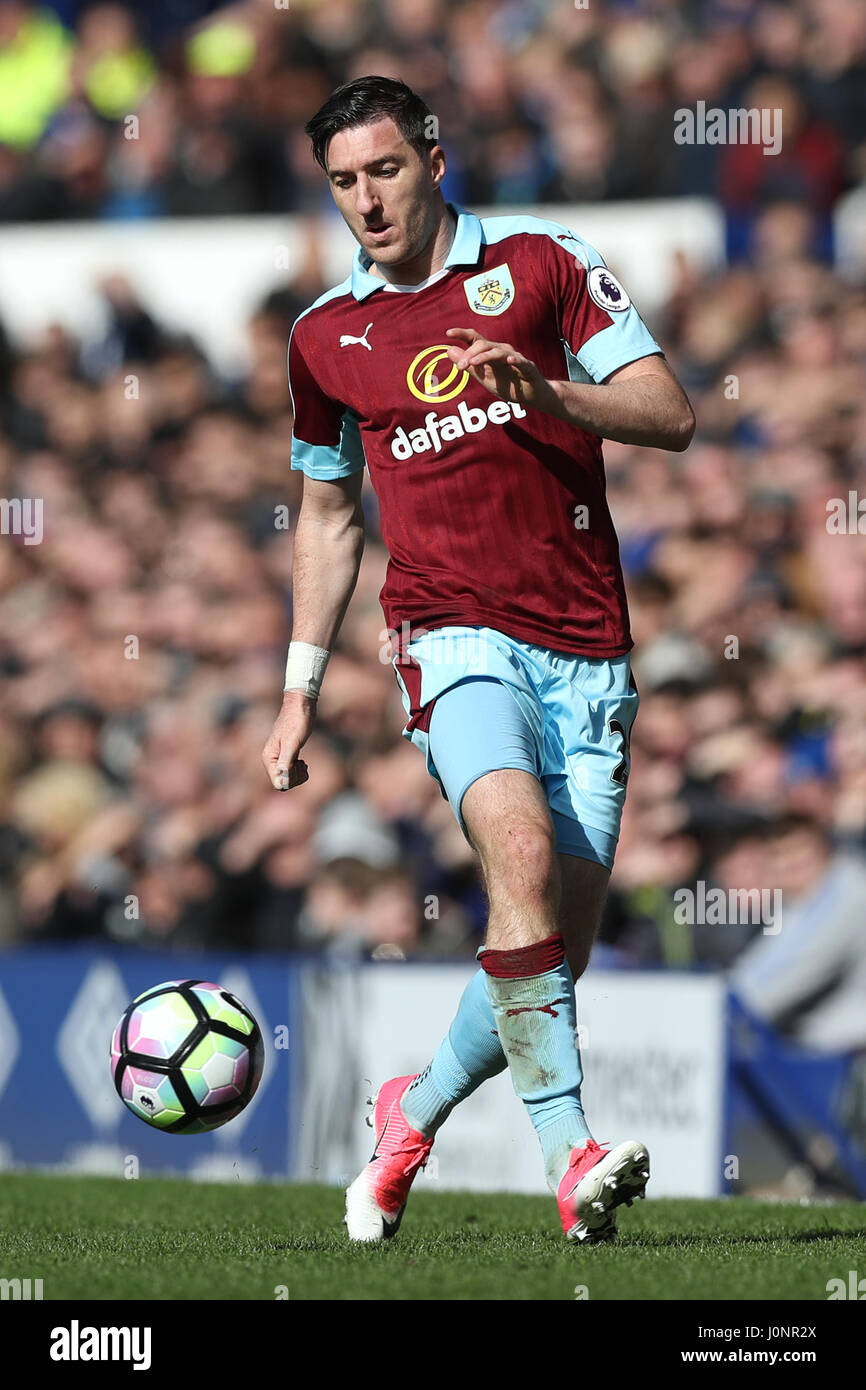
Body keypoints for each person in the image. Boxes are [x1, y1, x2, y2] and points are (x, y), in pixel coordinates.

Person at [262, 76, 695, 1244]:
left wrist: (547, 395)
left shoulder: (546, 263)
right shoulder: (321, 337)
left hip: (586, 645)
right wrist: (298, 689)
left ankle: (410, 1112)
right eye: (344, 182)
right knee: (511, 856)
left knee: (549, 943)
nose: (366, 199)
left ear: (435, 158)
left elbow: (668, 411)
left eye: (384, 170)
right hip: (448, 633)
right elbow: (327, 513)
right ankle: (573, 1160)